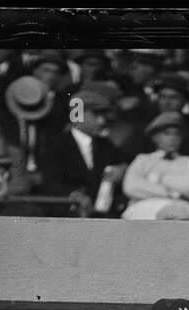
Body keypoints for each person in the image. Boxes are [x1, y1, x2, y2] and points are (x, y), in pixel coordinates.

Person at [36, 85, 129, 216]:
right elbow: (50, 183)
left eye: (103, 114)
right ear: (77, 114)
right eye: (95, 114)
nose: (102, 121)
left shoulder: (105, 145)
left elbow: (127, 161)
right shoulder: (56, 145)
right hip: (66, 214)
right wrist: (73, 195)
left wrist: (122, 169)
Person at [121, 111, 189, 220]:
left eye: (177, 134)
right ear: (155, 137)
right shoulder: (143, 160)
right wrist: (173, 193)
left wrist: (157, 179)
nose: (173, 138)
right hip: (143, 208)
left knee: (188, 215)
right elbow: (131, 187)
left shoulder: (188, 162)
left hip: (178, 208)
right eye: (167, 133)